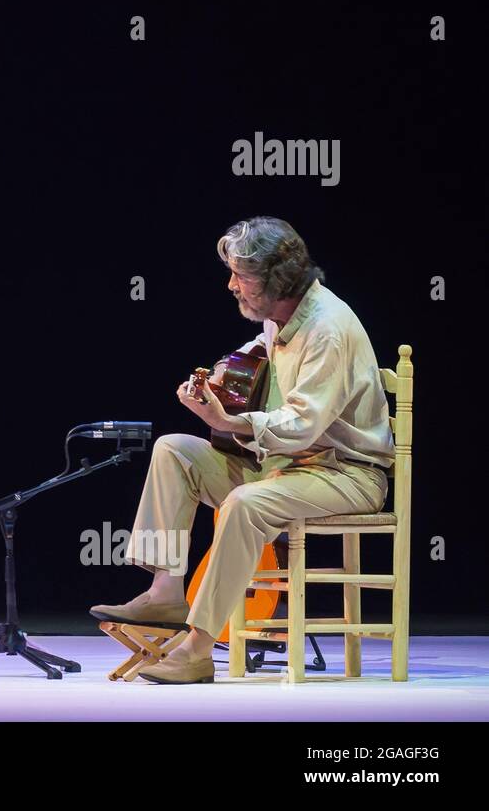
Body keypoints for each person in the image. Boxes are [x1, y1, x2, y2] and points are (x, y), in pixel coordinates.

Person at [90, 216, 394, 683]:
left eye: (241, 275)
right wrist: (217, 380)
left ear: (276, 279)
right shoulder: (282, 317)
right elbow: (254, 353)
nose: (231, 284)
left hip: (344, 474)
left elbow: (301, 424)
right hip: (285, 467)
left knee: (244, 503)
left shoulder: (328, 328)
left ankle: (197, 648)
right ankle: (166, 589)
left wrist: (229, 421)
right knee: (174, 451)